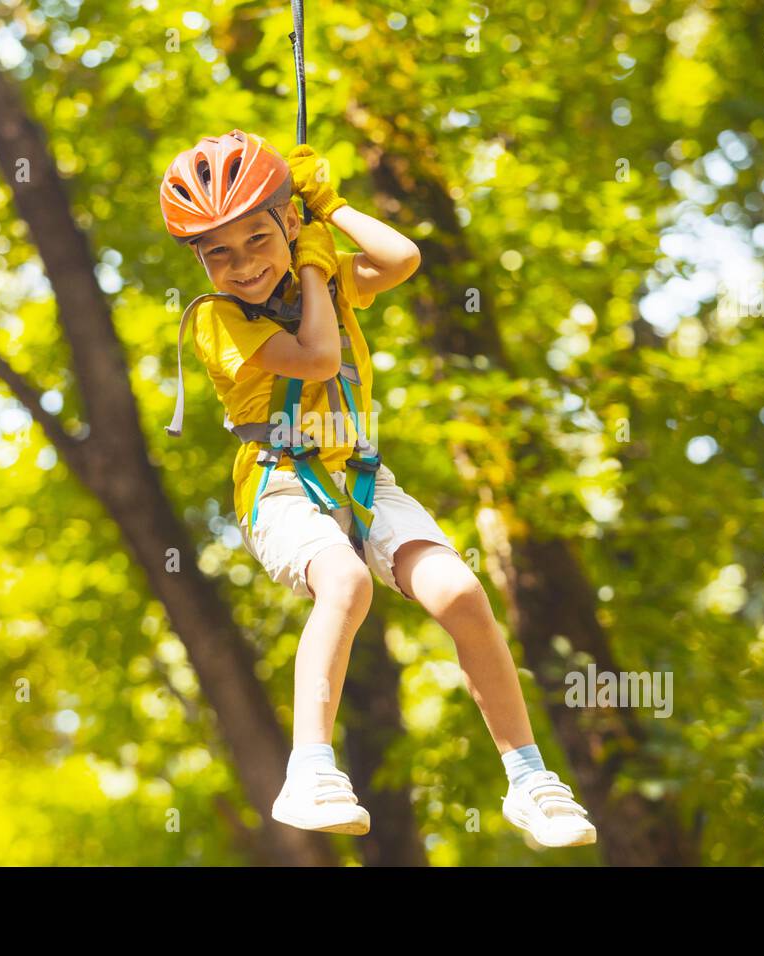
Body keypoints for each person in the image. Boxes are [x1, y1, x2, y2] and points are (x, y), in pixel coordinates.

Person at [159, 129, 595, 849]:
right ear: (202, 263)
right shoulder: (217, 320)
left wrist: (329, 209)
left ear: (287, 222)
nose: (241, 265)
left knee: (460, 593)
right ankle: (310, 769)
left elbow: (402, 259)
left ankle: (529, 779)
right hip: (281, 485)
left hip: (362, 474)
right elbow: (318, 354)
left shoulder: (320, 273)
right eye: (219, 253)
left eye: (258, 239)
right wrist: (309, 263)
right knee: (345, 582)